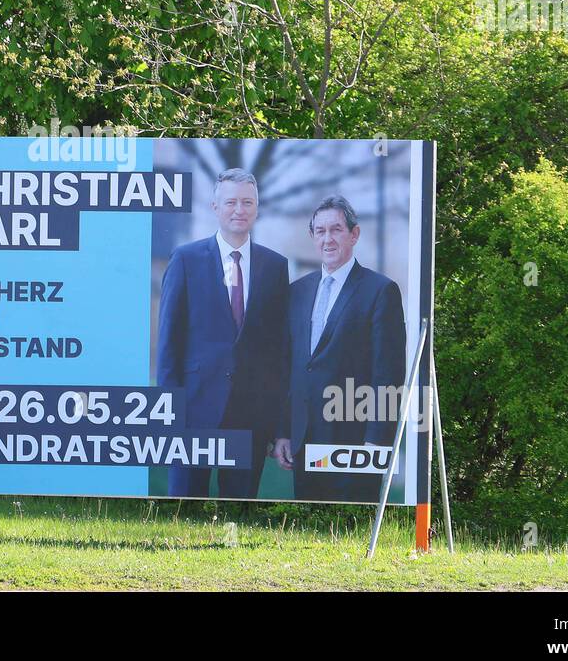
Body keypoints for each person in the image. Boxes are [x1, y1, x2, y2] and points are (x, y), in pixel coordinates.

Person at [156, 168, 289, 499]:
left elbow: (280, 351)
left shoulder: (275, 266)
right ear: (215, 207)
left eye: (247, 202)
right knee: (183, 507)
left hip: (251, 414)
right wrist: (169, 411)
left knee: (239, 512)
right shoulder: (186, 259)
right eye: (231, 202)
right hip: (194, 409)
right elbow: (169, 343)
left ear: (257, 208)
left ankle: (231, 550)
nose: (239, 210)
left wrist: (279, 424)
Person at [272, 195, 406, 503]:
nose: (327, 238)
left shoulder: (380, 291)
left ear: (354, 234)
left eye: (336, 229)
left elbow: (387, 374)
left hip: (355, 443)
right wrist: (282, 431)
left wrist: (377, 443)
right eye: (320, 231)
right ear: (313, 237)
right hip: (304, 442)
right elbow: (289, 367)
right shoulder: (297, 292)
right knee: (309, 529)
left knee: (350, 530)